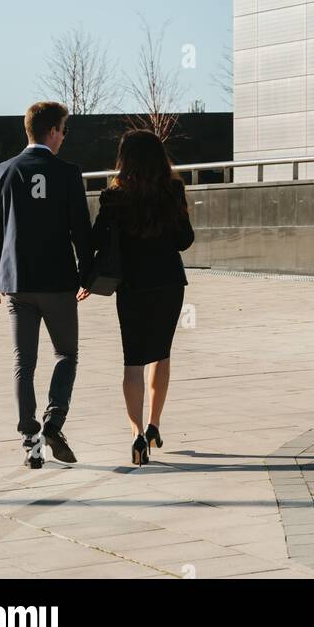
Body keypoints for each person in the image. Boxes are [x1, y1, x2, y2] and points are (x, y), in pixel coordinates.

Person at [0, 101, 93, 469]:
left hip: (16, 283)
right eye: (63, 129)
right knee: (66, 354)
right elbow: (81, 230)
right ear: (51, 131)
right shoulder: (67, 173)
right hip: (59, 283)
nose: (63, 136)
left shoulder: (1, 172)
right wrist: (87, 274)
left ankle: (29, 436)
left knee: (23, 361)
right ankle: (54, 421)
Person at [91, 130, 194, 466]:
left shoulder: (113, 195)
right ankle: (154, 425)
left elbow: (96, 239)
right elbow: (184, 240)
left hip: (131, 286)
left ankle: (135, 435)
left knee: (132, 358)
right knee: (161, 354)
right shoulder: (173, 189)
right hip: (167, 283)